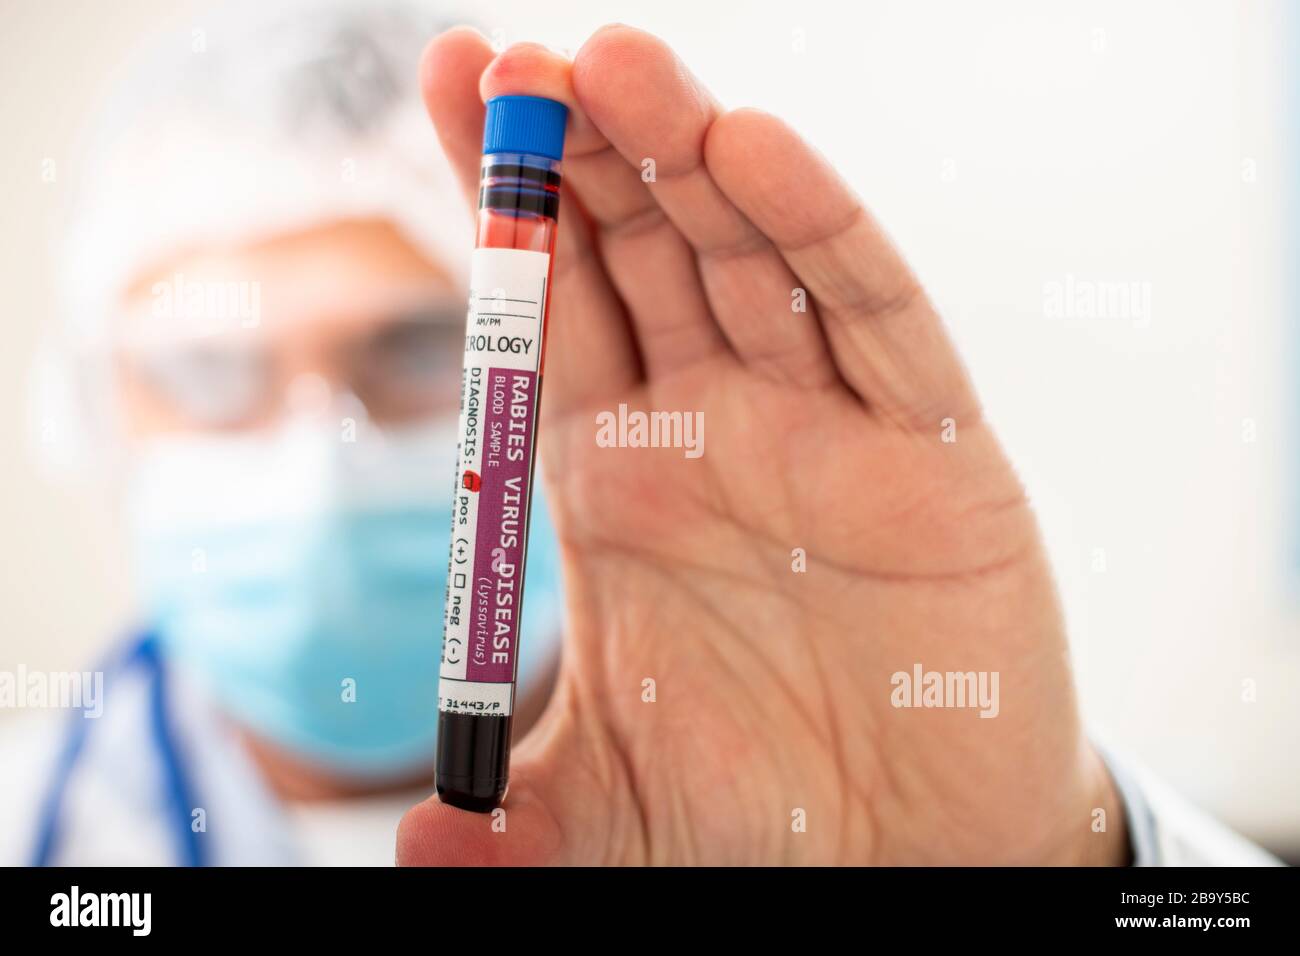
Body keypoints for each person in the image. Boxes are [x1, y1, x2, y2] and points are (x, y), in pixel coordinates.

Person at [3, 0, 1279, 866]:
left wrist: (1061, 855)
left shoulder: (811, 731)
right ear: (96, 411)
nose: (314, 448)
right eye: (209, 369)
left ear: (539, 345)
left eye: (404, 351)